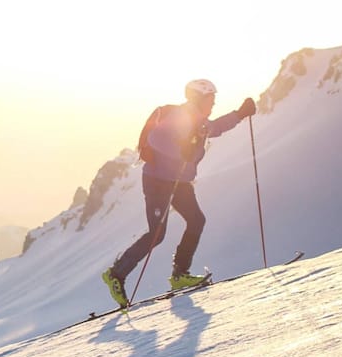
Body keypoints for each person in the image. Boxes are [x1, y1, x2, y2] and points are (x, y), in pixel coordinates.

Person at [102, 79, 257, 307]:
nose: (213, 103)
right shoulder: (179, 115)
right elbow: (156, 139)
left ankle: (179, 275)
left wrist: (240, 114)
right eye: (210, 99)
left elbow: (216, 127)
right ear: (198, 98)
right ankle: (116, 274)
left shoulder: (199, 120)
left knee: (196, 221)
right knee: (157, 234)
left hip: (179, 182)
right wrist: (181, 151)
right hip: (157, 181)